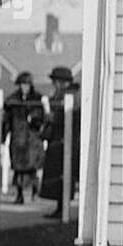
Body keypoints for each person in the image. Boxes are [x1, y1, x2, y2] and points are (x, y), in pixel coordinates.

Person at [39, 65, 80, 218]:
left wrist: (52, 116)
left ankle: (63, 209)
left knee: (63, 175)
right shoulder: (60, 95)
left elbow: (69, 116)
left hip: (65, 142)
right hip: (57, 141)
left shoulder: (72, 96)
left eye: (55, 81)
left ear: (61, 82)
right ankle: (59, 207)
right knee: (56, 176)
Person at [2, 71, 46, 203]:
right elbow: (7, 120)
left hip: (32, 139)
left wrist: (33, 118)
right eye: (22, 84)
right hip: (18, 138)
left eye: (26, 84)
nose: (24, 87)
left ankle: (34, 192)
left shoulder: (37, 99)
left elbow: (40, 120)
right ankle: (20, 194)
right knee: (18, 168)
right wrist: (3, 136)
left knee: (32, 167)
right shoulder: (13, 100)